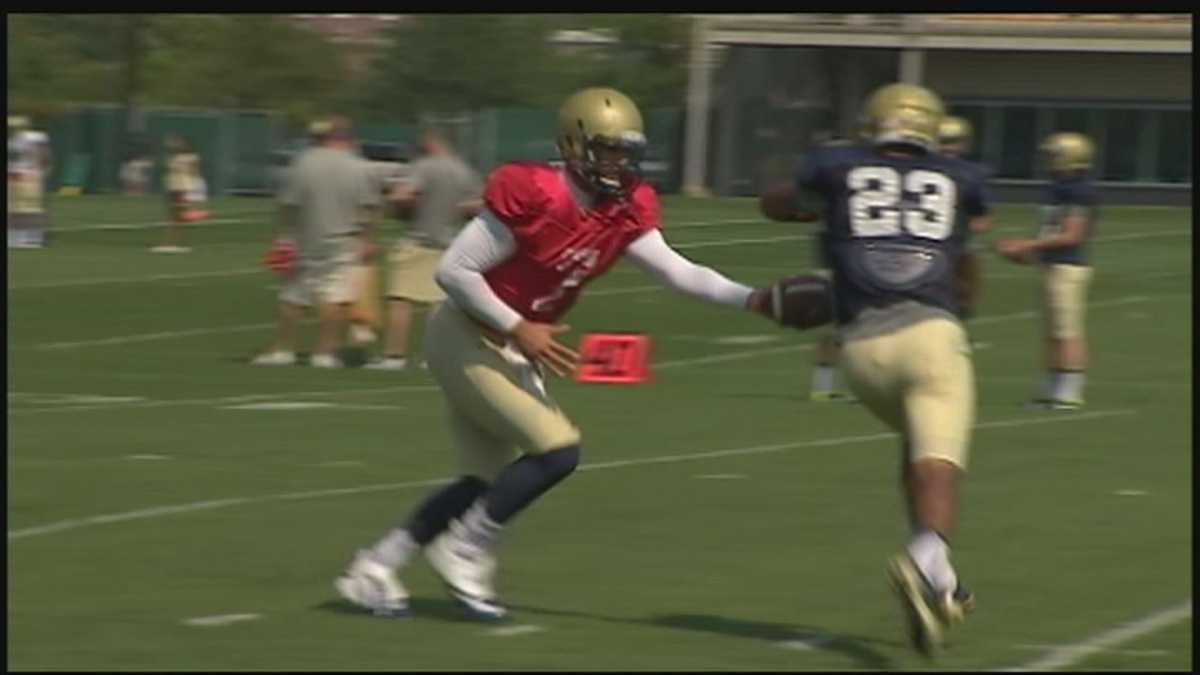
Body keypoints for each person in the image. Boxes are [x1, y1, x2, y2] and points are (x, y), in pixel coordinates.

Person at [334, 87, 771, 619]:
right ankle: (464, 549)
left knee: (482, 482)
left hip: (506, 345)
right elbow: (453, 271)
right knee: (558, 449)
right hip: (465, 336)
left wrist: (755, 299)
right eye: (607, 150)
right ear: (573, 145)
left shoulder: (622, 207)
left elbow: (679, 272)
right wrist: (518, 326)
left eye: (625, 152)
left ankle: (374, 569)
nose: (617, 163)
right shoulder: (537, 192)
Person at [761, 83, 987, 656]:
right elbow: (967, 267)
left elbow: (775, 203)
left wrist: (818, 205)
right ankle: (925, 560)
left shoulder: (837, 164)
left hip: (860, 351)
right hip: (931, 336)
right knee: (939, 462)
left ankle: (941, 582)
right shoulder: (960, 177)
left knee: (917, 446)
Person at [252, 115, 382, 369]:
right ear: (345, 137)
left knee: (292, 295)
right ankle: (324, 353)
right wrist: (368, 239)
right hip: (344, 239)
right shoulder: (359, 166)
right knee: (335, 296)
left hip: (304, 237)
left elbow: (288, 205)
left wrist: (282, 237)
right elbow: (369, 208)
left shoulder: (302, 163)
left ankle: (283, 349)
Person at [994, 132, 1098, 410]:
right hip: (1052, 265)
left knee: (1067, 329)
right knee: (1052, 332)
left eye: (1054, 155)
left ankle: (1070, 390)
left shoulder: (1080, 190)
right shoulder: (1057, 188)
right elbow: (1052, 233)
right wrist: (1024, 254)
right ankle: (1052, 388)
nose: (1049, 161)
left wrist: (1026, 244)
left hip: (1068, 267)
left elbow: (1073, 235)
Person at [365, 127, 484, 370]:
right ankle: (432, 358)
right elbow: (479, 204)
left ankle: (394, 356)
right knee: (438, 304)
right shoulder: (465, 170)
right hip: (451, 244)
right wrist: (456, 209)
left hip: (419, 239)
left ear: (433, 143)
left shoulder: (423, 167)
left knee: (400, 300)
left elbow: (402, 196)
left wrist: (394, 202)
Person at [152, 135, 203, 253]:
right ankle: (175, 242)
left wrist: (195, 188)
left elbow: (195, 172)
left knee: (177, 216)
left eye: (180, 143)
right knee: (172, 215)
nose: (178, 145)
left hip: (182, 187)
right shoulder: (174, 157)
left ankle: (175, 242)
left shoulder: (191, 157)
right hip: (172, 187)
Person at [7, 115, 53, 249]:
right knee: (19, 208)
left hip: (28, 176)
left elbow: (44, 156)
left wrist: (43, 170)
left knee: (29, 208)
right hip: (19, 176)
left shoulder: (32, 139)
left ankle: (32, 237)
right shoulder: (28, 139)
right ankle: (24, 237)